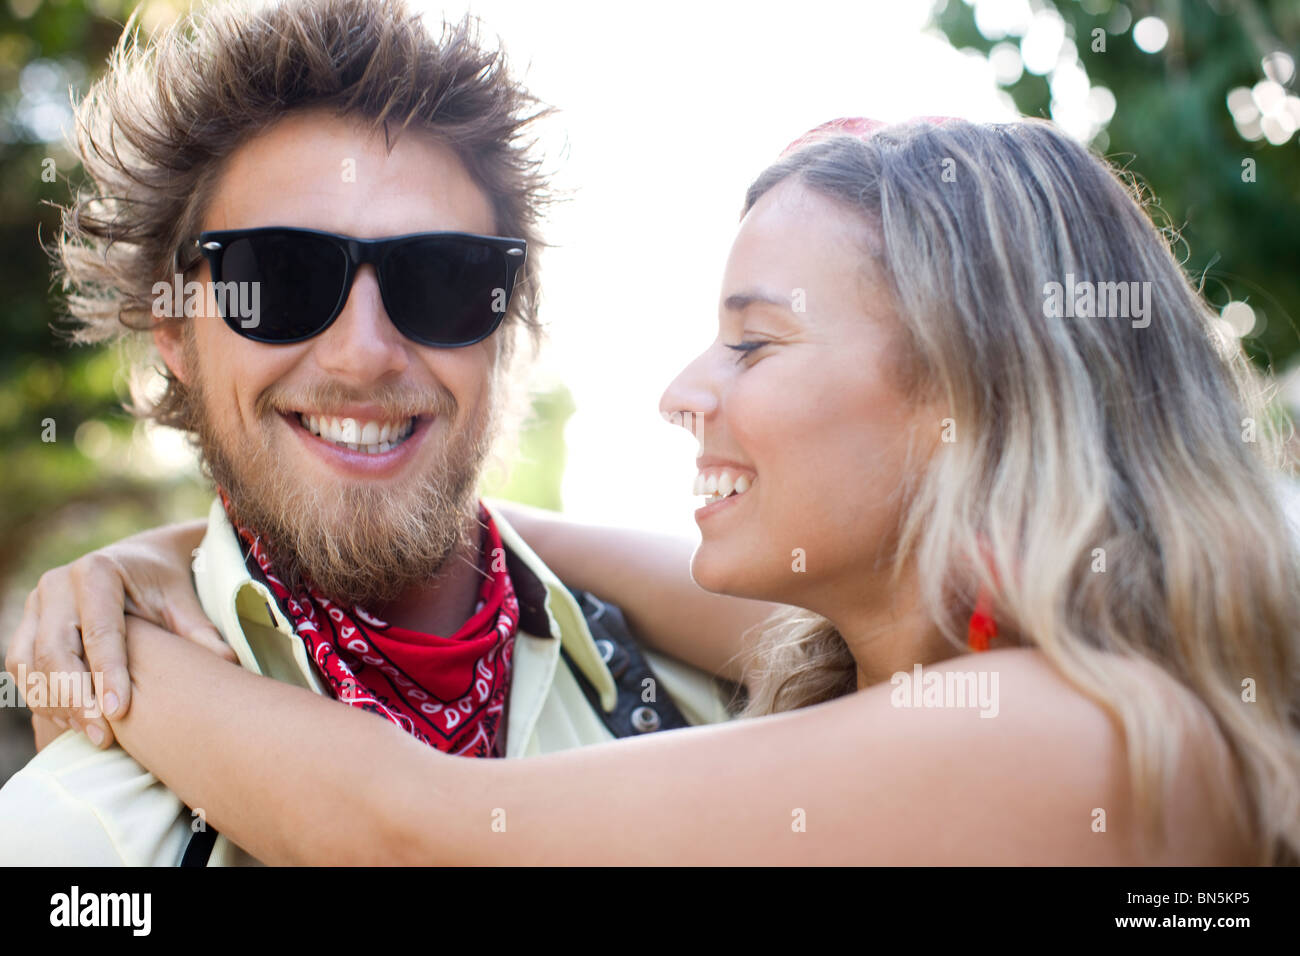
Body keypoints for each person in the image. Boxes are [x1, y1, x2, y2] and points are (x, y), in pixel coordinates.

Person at [12, 108, 1300, 864]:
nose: (687, 388)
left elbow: (426, 833)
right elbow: (520, 543)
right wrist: (203, 543)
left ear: (974, 393)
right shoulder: (945, 662)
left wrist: (127, 654)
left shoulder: (1062, 735)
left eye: (753, 341)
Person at [0, 0, 742, 866]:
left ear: (508, 330)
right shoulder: (72, 845)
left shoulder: (732, 702)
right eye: (276, 276)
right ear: (174, 335)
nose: (362, 356)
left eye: (445, 279)